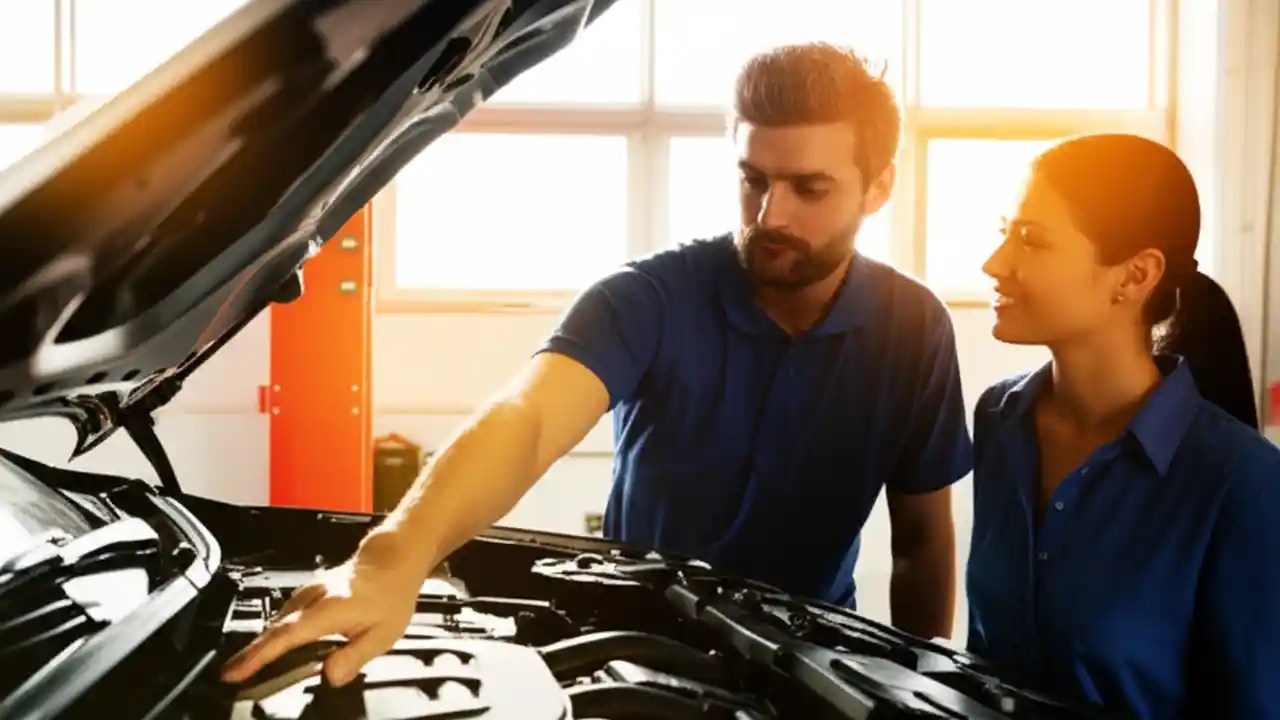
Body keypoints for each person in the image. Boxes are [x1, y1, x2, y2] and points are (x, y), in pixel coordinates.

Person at [222, 42, 973, 688]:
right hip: (634, 645)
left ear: (879, 186)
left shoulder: (913, 329)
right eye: (752, 179)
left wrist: (923, 680)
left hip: (804, 664)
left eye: (810, 188)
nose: (770, 215)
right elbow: (530, 418)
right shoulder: (645, 297)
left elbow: (922, 538)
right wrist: (394, 556)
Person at [966, 133, 1280, 719]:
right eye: (1006, 230)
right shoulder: (998, 419)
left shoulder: (1244, 484)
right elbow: (985, 662)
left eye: (1031, 240)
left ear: (1135, 275)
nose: (995, 263)